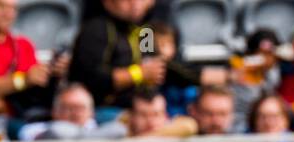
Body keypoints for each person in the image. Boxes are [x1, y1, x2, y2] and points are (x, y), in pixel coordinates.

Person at [69, 0, 210, 112]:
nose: (135, 4)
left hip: (145, 107)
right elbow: (91, 78)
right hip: (107, 111)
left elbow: (152, 61)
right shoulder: (96, 30)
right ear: (108, 2)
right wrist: (138, 73)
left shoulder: (144, 30)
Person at [0, 0, 65, 117]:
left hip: (27, 117)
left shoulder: (23, 44)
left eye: (13, 8)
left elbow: (36, 88)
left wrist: (56, 74)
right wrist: (22, 80)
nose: (8, 14)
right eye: (1, 6)